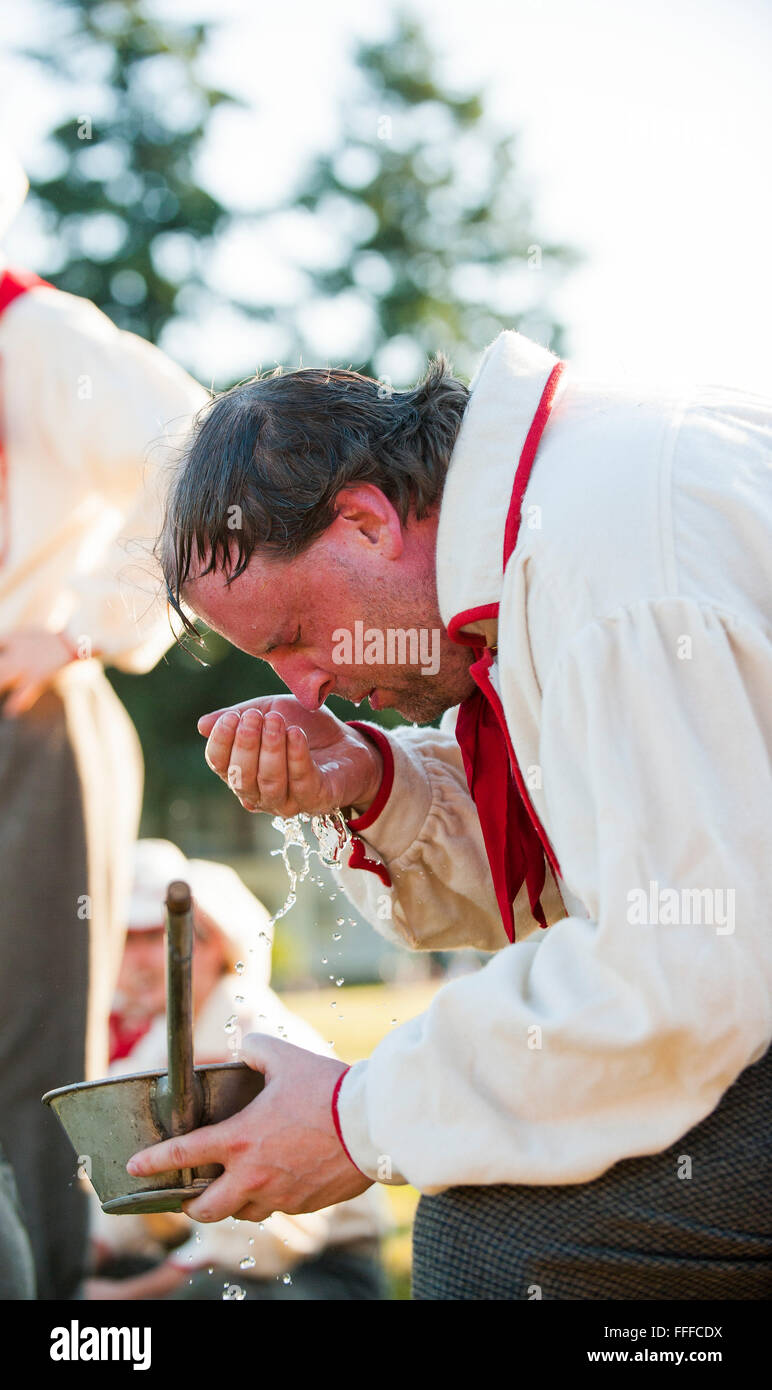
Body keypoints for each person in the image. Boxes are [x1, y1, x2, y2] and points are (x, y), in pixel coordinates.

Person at [128, 332, 771, 1300]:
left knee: (511, 1242)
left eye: (295, 636)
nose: (306, 691)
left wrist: (355, 1115)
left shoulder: (610, 572)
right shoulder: (570, 515)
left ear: (366, 522)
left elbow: (682, 965)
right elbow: (624, 849)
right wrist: (370, 779)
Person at [0, 151, 208, 1298]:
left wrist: (77, 626)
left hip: (24, 720)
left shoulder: (38, 337)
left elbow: (192, 445)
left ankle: (42, 1300)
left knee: (26, 1048)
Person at [84, 840, 387, 1301]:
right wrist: (93, 1250)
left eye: (157, 936)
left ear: (217, 945)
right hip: (199, 1254)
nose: (140, 961)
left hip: (318, 1270)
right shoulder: (160, 1042)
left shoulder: (259, 1037)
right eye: (126, 939)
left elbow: (273, 1235)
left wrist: (132, 1294)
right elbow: (134, 1175)